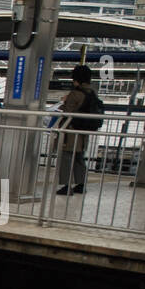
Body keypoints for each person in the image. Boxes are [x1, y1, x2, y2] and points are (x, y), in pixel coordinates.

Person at [55, 65, 102, 196]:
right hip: (83, 133)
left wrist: (64, 102)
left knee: (66, 157)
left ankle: (66, 185)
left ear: (76, 79)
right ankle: (81, 184)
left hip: (71, 132)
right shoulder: (92, 93)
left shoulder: (75, 94)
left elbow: (67, 112)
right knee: (79, 158)